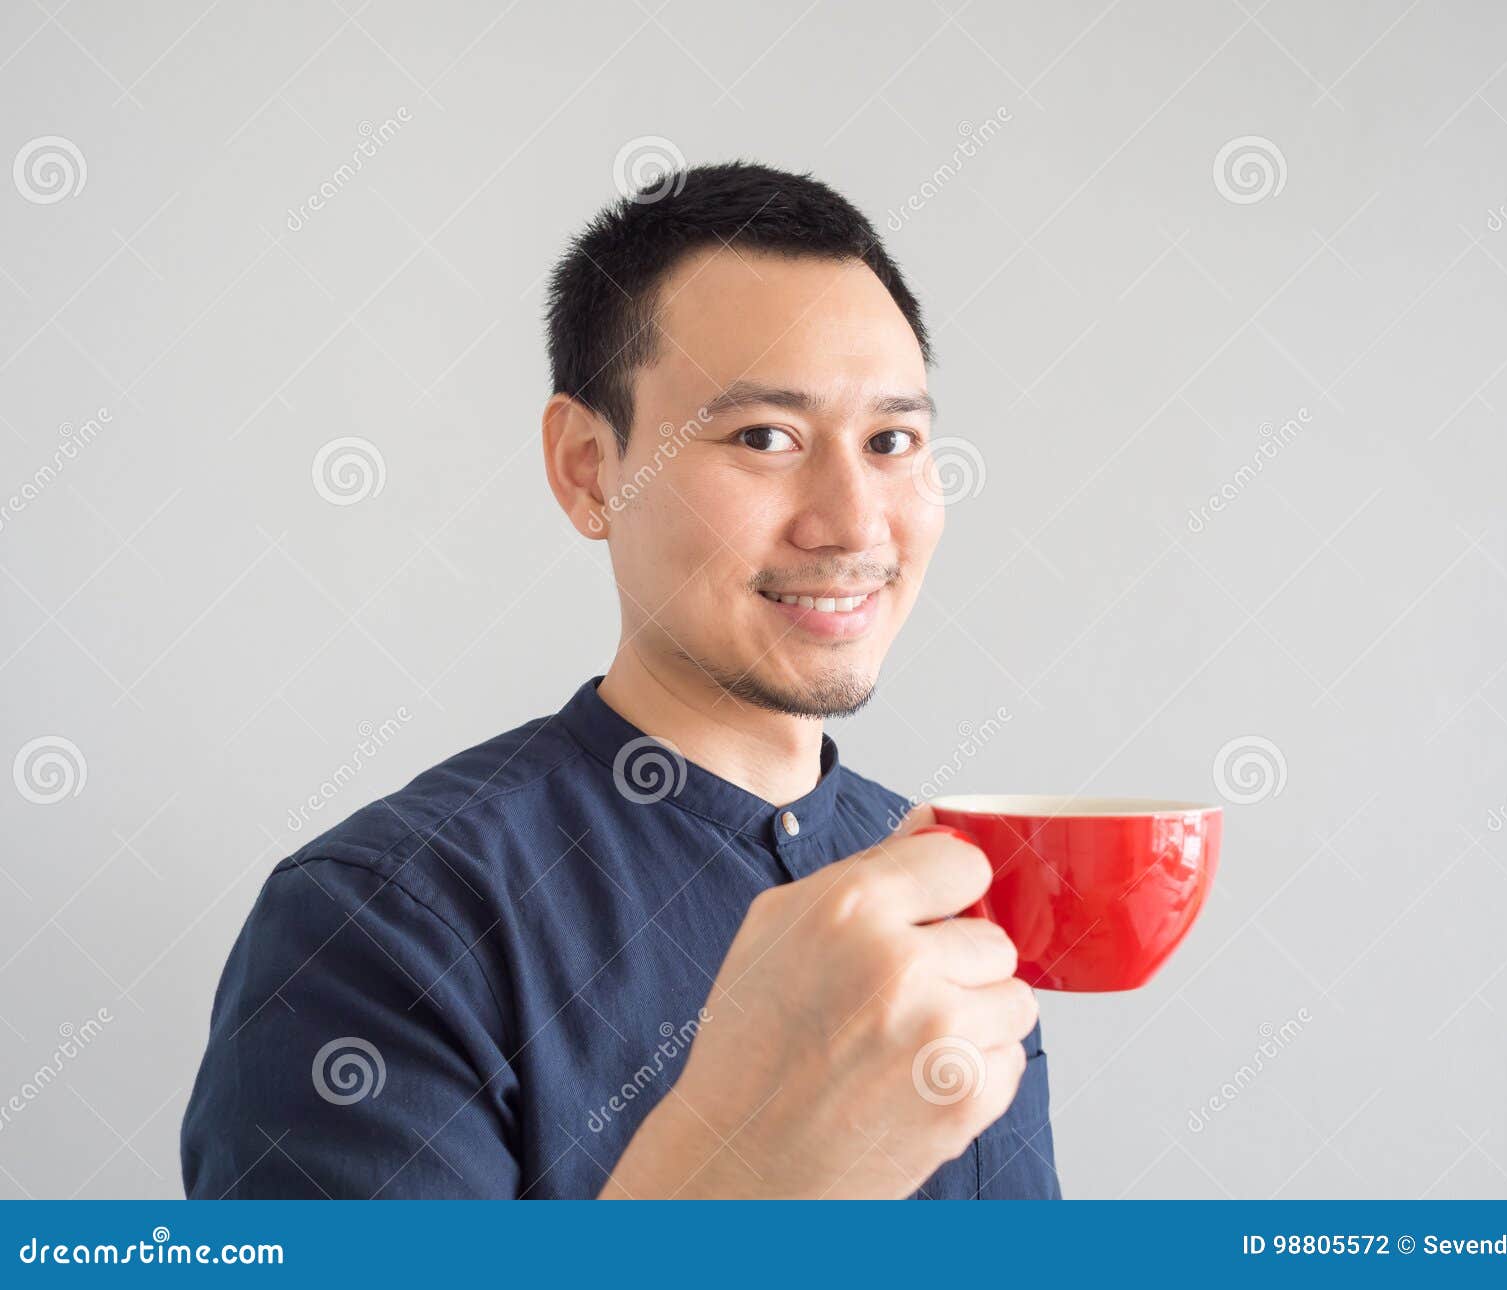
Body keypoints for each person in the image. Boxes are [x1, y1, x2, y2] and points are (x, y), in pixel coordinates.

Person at [180, 161, 1059, 1199]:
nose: (856, 522)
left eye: (891, 441)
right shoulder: (378, 926)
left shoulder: (956, 894)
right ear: (591, 468)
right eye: (764, 437)